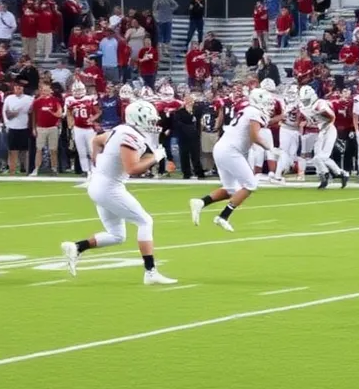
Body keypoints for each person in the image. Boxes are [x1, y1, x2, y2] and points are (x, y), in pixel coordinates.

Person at [60, 99, 175, 285]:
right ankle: (150, 272)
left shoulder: (122, 130)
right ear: (138, 119)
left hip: (100, 184)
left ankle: (76, 247)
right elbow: (132, 169)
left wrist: (98, 163)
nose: (154, 124)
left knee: (117, 235)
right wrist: (155, 157)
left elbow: (96, 140)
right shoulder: (130, 136)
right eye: (150, 120)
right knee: (145, 221)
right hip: (109, 187)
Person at [189, 88, 279, 232]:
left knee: (232, 190)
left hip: (223, 148)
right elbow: (255, 136)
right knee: (250, 185)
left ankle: (200, 202)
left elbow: (259, 127)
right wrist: (270, 148)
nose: (269, 105)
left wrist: (281, 117)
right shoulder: (254, 112)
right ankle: (223, 217)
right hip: (231, 150)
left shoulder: (248, 110)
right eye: (266, 102)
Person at [298, 86, 348, 188]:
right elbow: (311, 120)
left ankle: (327, 175)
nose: (305, 102)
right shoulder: (303, 107)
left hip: (328, 129)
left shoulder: (320, 103)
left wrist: (325, 127)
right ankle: (338, 174)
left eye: (306, 100)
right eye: (303, 100)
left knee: (321, 157)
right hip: (320, 130)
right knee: (318, 158)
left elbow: (332, 116)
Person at [65, 80, 100, 185]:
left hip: (89, 128)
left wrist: (92, 119)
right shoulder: (69, 99)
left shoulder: (90, 98)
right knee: (81, 151)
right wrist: (70, 124)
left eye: (79, 89)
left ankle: (95, 171)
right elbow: (69, 113)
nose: (78, 92)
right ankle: (86, 171)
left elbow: (98, 111)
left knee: (91, 151)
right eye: (76, 90)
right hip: (78, 128)